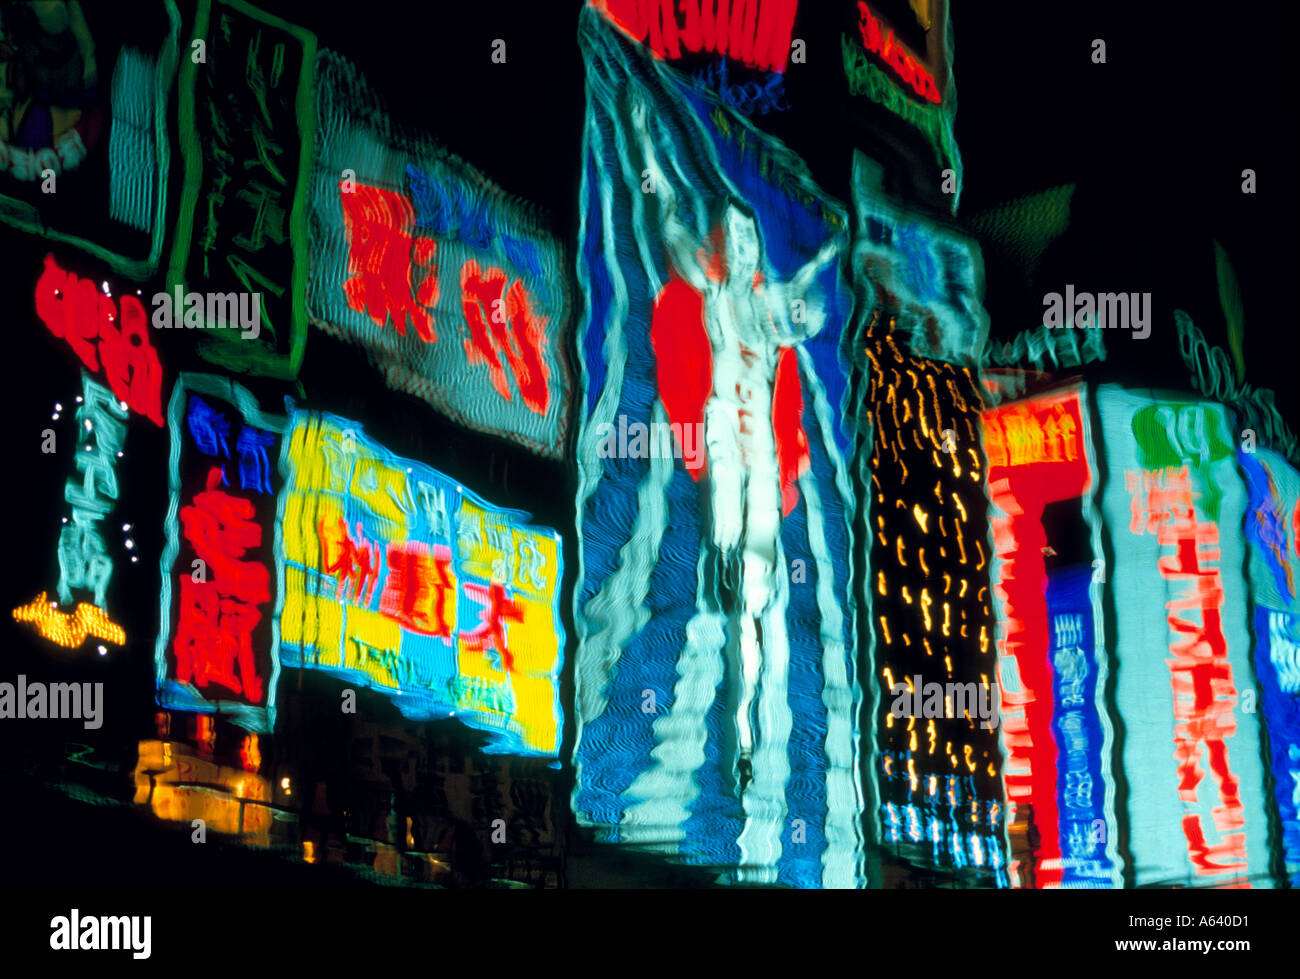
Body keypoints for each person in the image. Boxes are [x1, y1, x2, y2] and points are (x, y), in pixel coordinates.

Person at [631, 93, 838, 799]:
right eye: (735, 237)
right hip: (725, 445)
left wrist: (839, 242)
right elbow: (668, 223)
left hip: (761, 464)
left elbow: (809, 289)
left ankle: (744, 734)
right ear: (726, 245)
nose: (743, 247)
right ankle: (721, 564)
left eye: (750, 239)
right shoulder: (716, 295)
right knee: (730, 540)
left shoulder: (770, 308)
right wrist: (646, 145)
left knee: (750, 605)